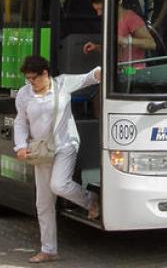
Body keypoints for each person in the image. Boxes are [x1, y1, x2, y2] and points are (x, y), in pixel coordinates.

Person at [14, 56, 100, 263]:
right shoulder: (24, 94)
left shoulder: (62, 83)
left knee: (58, 185)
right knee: (43, 202)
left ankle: (91, 200)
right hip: (42, 150)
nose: (30, 83)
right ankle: (49, 250)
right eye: (27, 79)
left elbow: (90, 77)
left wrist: (105, 68)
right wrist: (21, 146)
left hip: (65, 145)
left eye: (33, 78)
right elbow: (20, 122)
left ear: (45, 73)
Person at [83, 0, 156, 69]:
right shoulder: (111, 20)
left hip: (134, 71)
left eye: (101, 9)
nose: (99, 14)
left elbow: (152, 44)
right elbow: (115, 49)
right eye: (96, 10)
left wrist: (126, 40)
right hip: (120, 69)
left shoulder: (131, 18)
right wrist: (96, 47)